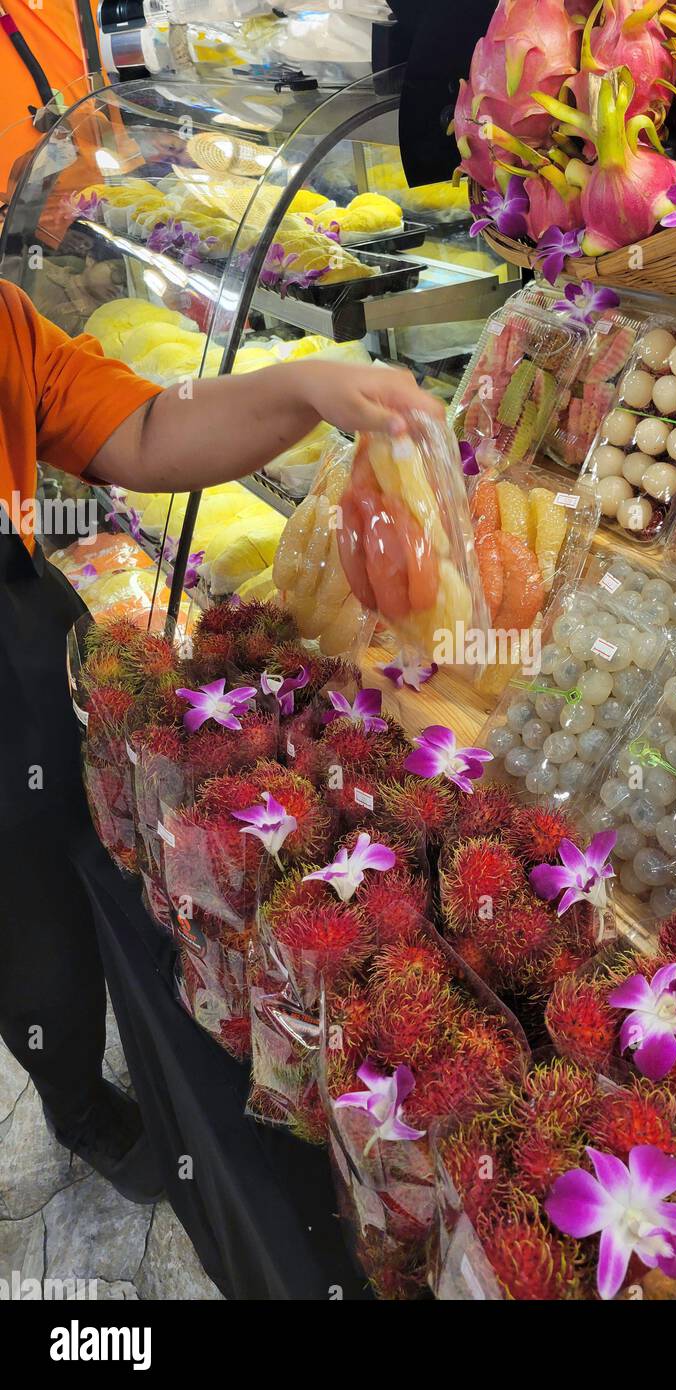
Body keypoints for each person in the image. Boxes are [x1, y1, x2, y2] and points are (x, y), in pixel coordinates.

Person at [0, 278, 443, 1203]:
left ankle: (135, 1046)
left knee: (95, 872)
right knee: (22, 928)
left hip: (18, 624)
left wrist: (306, 389)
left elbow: (148, 432)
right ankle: (77, 1098)